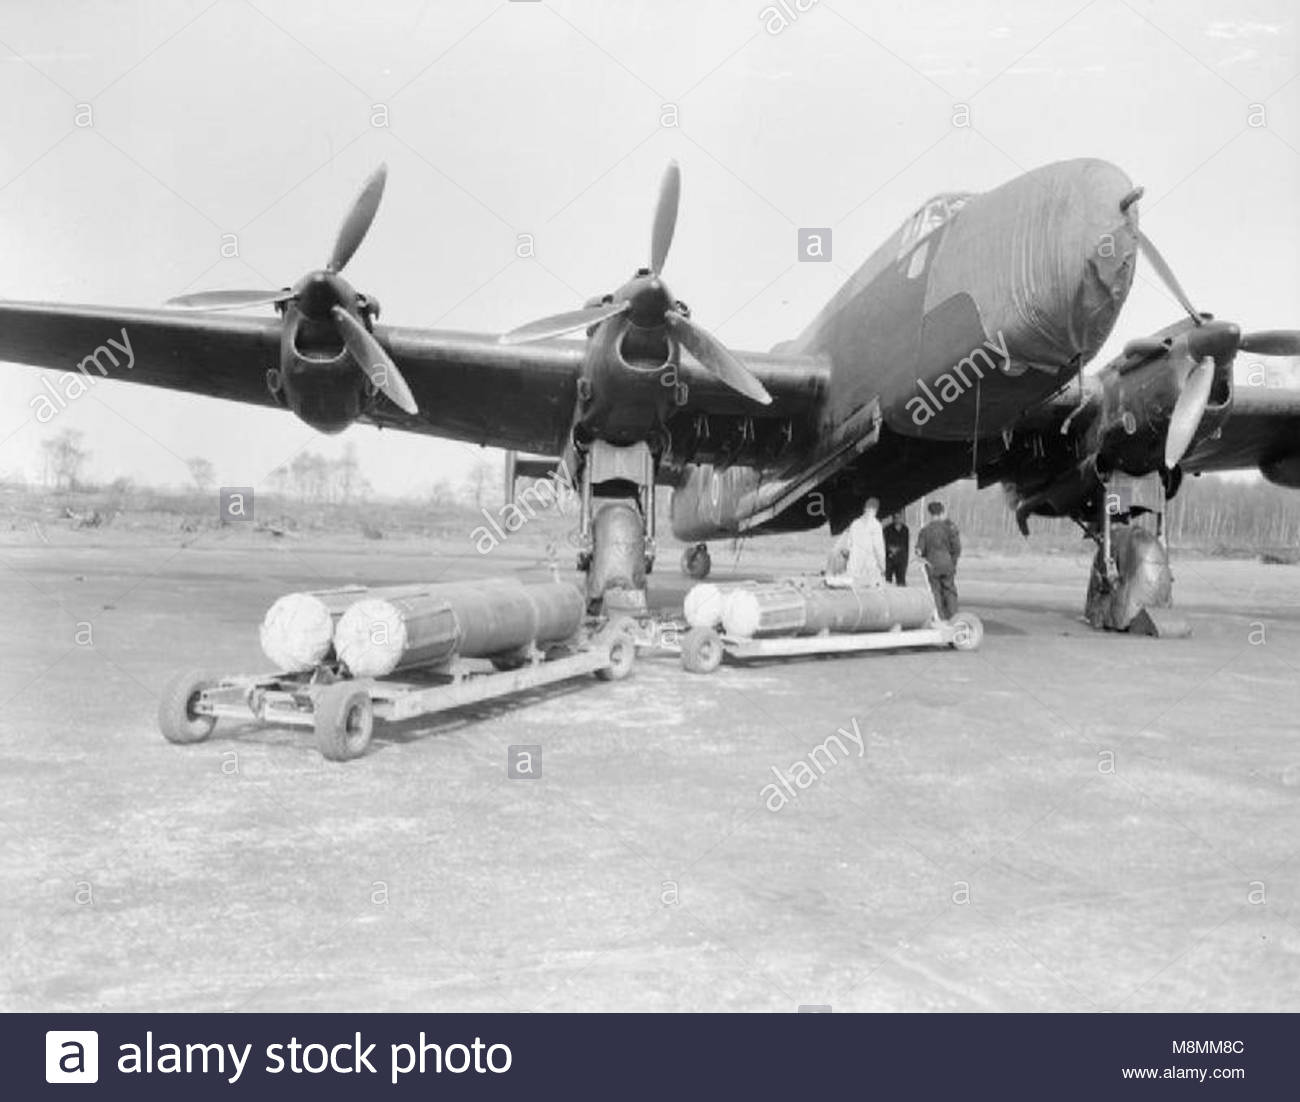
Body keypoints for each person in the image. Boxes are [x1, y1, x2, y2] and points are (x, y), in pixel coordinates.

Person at [827, 497, 886, 588]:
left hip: (853, 568)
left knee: (853, 591)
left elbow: (847, 548)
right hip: (868, 570)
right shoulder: (876, 526)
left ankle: (835, 581)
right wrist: (883, 567)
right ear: (876, 510)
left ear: (864, 508)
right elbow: (879, 550)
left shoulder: (855, 524)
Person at [915, 500, 961, 618]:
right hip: (947, 565)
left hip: (932, 566)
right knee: (949, 591)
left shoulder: (925, 530)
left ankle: (939, 616)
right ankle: (953, 616)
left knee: (935, 591)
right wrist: (953, 562)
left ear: (930, 513)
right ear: (941, 512)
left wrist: (920, 555)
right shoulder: (949, 528)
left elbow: (919, 550)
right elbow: (957, 548)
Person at [883, 512, 910, 585]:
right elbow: (884, 543)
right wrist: (890, 549)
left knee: (901, 583)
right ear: (893, 519)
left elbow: (906, 545)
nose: (897, 519)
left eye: (899, 517)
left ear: (902, 518)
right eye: (896, 517)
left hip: (901, 559)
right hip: (889, 558)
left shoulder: (905, 529)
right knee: (887, 582)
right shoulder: (887, 529)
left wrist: (906, 559)